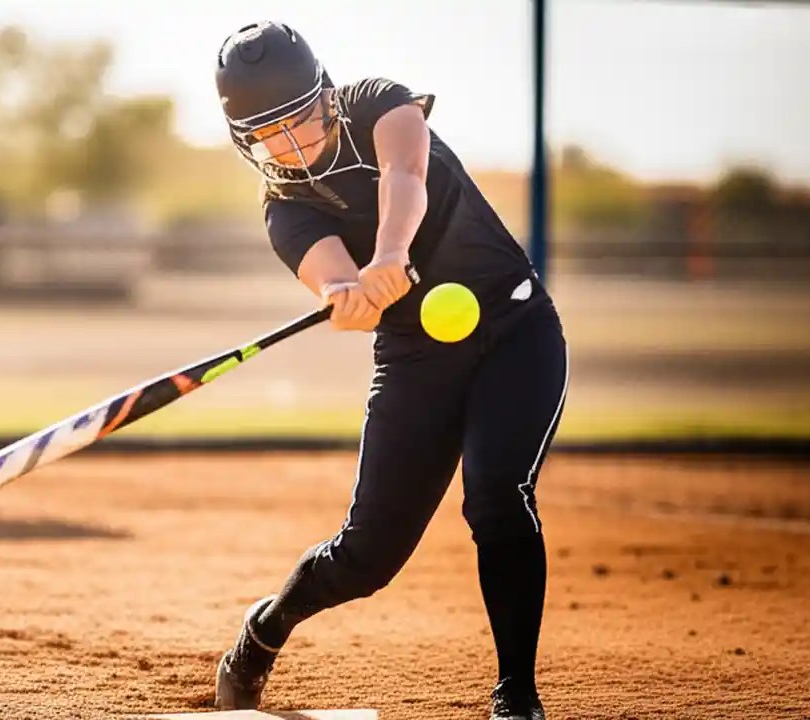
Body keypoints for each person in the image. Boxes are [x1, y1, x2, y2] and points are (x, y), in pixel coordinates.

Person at [211, 21, 570, 720]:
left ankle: (516, 697)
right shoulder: (284, 210)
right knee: (366, 557)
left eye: (298, 120)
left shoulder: (381, 103)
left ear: (326, 97)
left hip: (516, 327)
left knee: (496, 495)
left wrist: (390, 252)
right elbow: (336, 288)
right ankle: (263, 632)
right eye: (267, 135)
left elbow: (406, 176)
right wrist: (346, 296)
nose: (290, 145)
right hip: (415, 357)